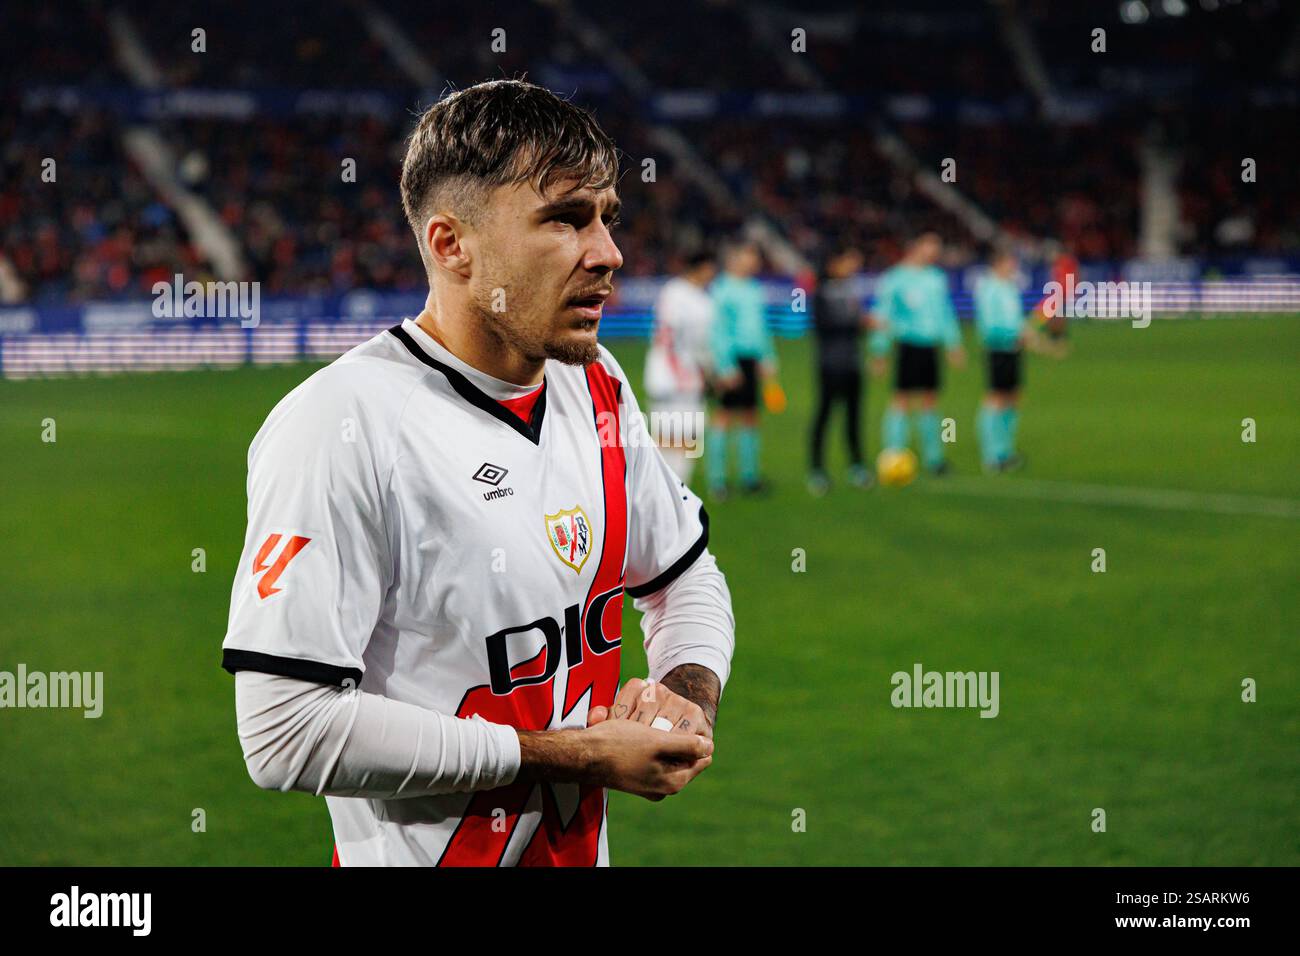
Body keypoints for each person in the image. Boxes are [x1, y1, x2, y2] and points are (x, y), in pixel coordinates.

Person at [221, 80, 734, 867]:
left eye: (607, 218)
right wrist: (579, 756)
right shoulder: (342, 424)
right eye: (565, 219)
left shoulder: (594, 383)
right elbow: (284, 730)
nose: (608, 253)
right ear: (452, 244)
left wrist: (686, 695)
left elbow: (682, 575)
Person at [868, 232, 965, 476]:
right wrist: (879, 351)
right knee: (901, 400)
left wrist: (953, 343)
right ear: (916, 246)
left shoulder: (936, 278)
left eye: (937, 246)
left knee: (931, 401)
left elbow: (945, 313)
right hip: (907, 345)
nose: (934, 251)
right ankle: (894, 455)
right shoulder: (895, 279)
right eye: (930, 245)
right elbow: (883, 315)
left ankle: (935, 458)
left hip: (931, 345)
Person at [707, 241, 778, 499]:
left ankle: (750, 477)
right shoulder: (721, 290)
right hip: (732, 359)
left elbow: (761, 328)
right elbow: (717, 331)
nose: (754, 261)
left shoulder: (755, 289)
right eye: (750, 256)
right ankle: (718, 480)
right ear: (735, 258)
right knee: (724, 416)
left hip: (751, 359)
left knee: (750, 416)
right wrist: (725, 366)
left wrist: (768, 357)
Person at [644, 250, 717, 483]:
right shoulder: (676, 293)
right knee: (667, 439)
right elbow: (668, 336)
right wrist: (681, 373)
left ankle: (677, 490)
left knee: (687, 439)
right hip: (670, 377)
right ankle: (665, 491)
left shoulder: (700, 298)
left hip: (687, 377)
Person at [808, 245, 873, 495]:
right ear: (834, 264)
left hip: (853, 362)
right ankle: (817, 470)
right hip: (829, 364)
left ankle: (857, 466)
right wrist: (859, 322)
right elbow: (823, 325)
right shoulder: (820, 291)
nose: (853, 267)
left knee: (854, 417)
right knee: (824, 416)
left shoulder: (851, 290)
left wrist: (863, 325)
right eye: (848, 261)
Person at [974, 249, 1028, 472]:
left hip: (1014, 350)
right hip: (997, 349)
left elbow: (1015, 320)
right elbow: (988, 326)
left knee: (1013, 397)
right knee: (995, 398)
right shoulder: (989, 289)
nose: (1012, 268)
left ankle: (1006, 451)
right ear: (997, 264)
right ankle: (991, 456)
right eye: (1009, 263)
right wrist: (1013, 334)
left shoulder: (1010, 288)